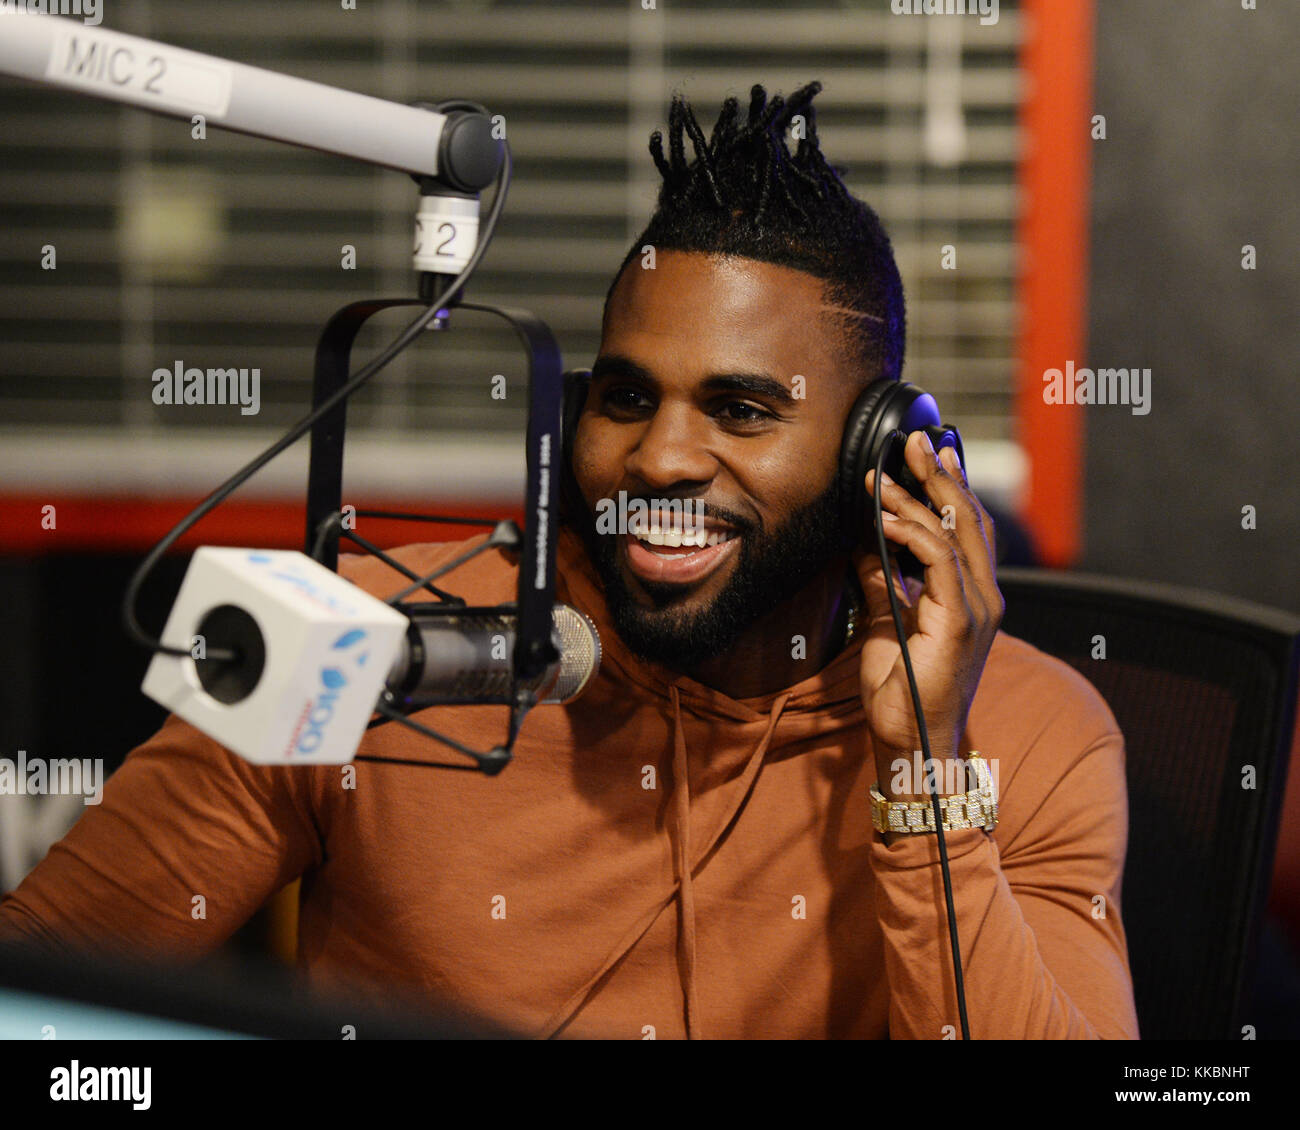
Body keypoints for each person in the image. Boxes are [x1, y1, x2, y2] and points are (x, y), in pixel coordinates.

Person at [0, 83, 1139, 1039]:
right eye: (626, 397)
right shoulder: (367, 643)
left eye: (740, 410)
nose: (657, 457)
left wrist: (920, 772)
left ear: (871, 458)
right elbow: (38, 991)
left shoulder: (1032, 731)